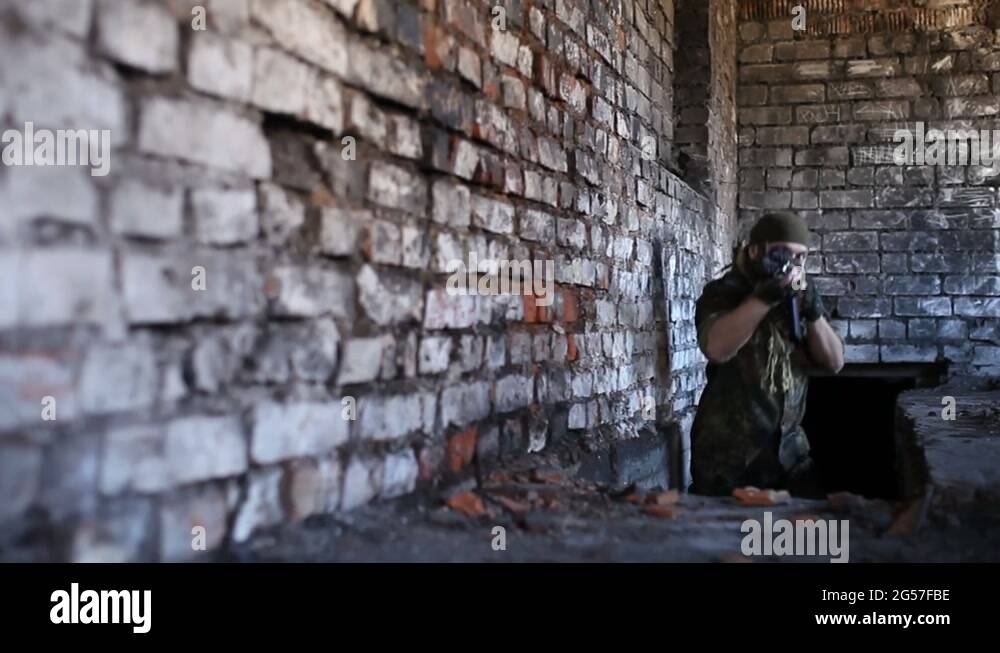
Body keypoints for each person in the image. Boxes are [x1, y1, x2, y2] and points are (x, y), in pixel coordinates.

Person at [690, 211, 845, 498]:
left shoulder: (801, 297)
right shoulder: (724, 293)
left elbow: (834, 362)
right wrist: (763, 298)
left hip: (790, 456)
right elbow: (716, 349)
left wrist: (811, 311)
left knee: (796, 540)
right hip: (729, 459)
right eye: (782, 254)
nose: (792, 264)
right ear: (754, 251)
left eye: (800, 257)